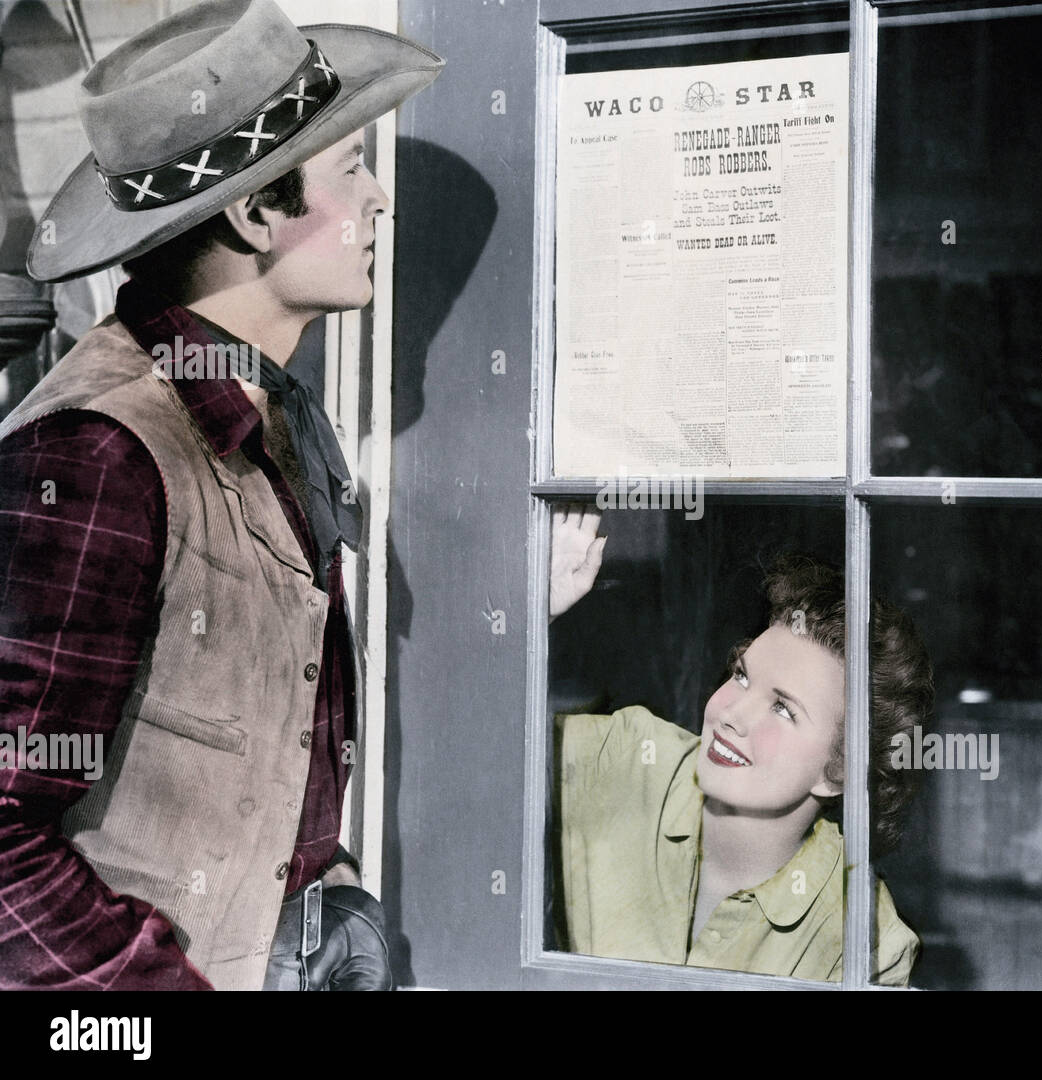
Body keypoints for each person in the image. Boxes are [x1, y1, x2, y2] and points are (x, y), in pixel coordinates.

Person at [0, 0, 443, 990]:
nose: (379, 202)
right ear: (253, 213)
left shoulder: (264, 412)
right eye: (351, 169)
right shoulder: (97, 452)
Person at [548, 507, 933, 984]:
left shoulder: (865, 942)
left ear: (838, 771)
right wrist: (533, 609)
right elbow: (469, 756)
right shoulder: (624, 757)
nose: (732, 713)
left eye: (783, 709)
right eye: (742, 676)